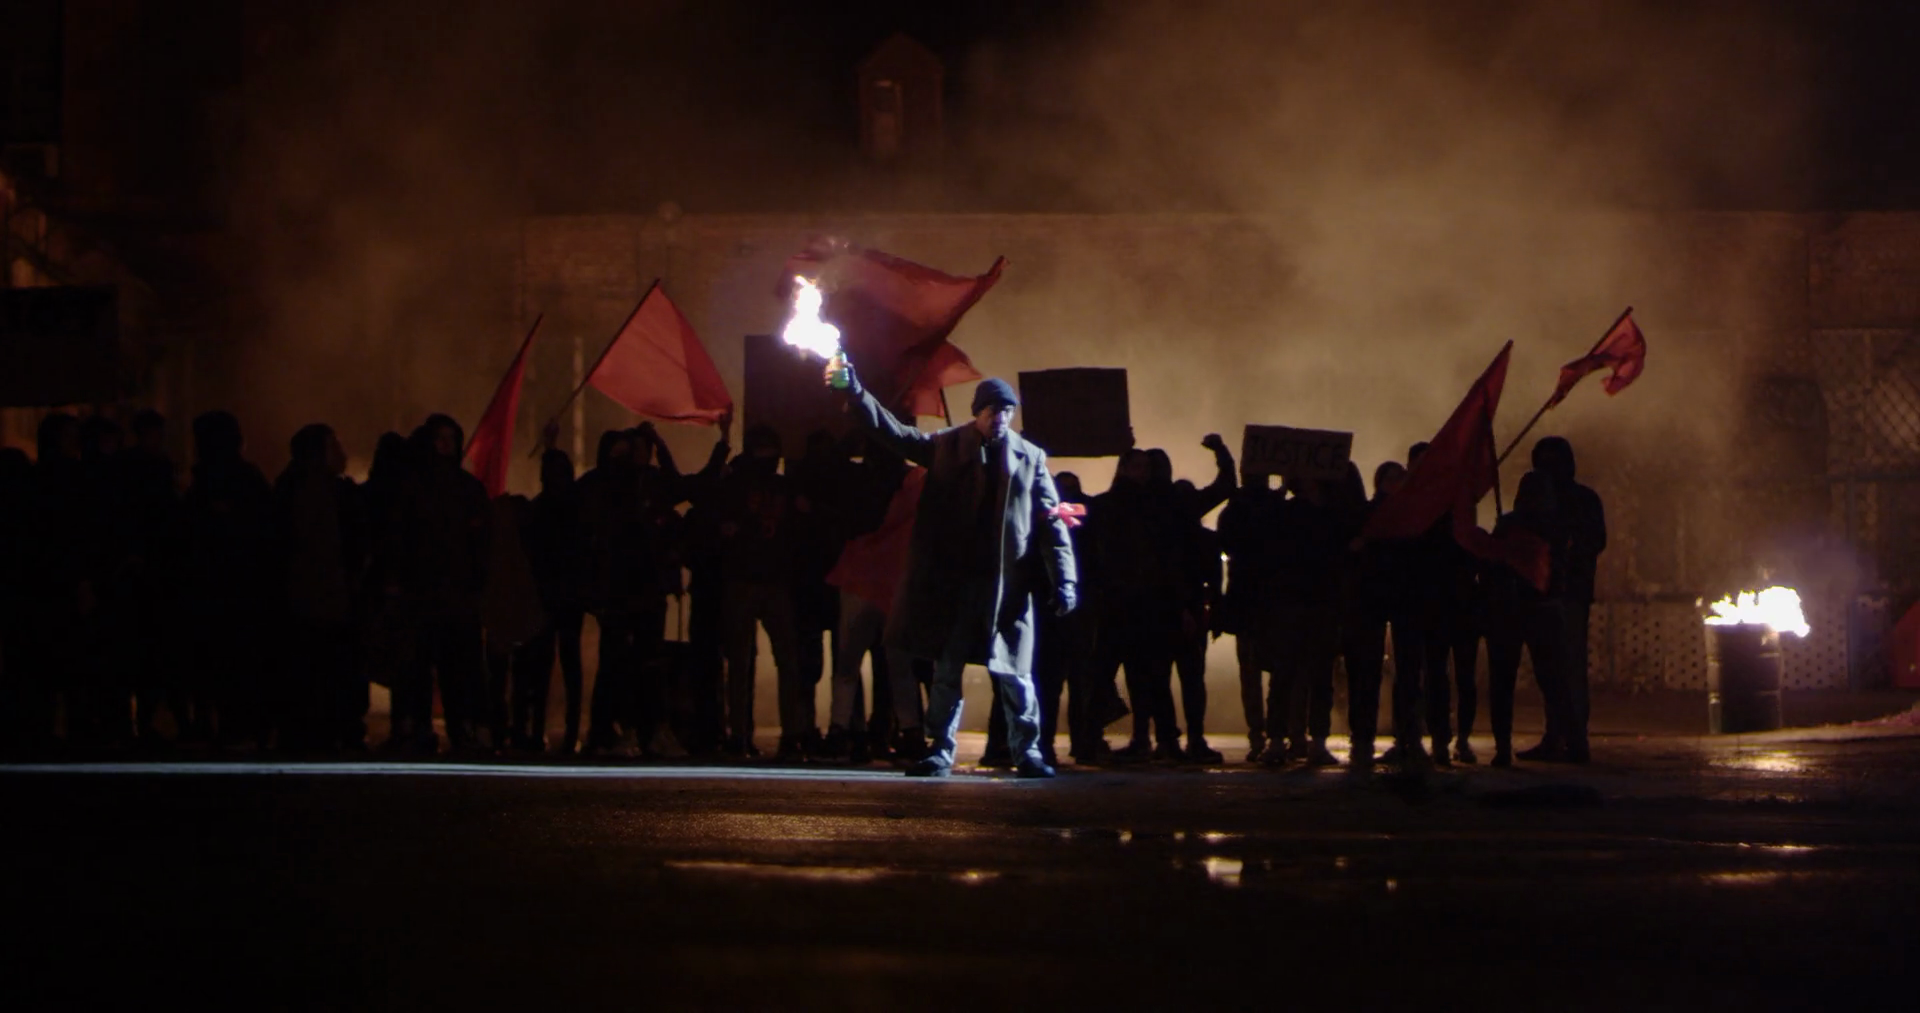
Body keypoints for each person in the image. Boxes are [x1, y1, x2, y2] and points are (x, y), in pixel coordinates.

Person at [831, 363, 1077, 778]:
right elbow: (892, 432)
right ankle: (940, 748)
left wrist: (1065, 579)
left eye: (1006, 410)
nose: (999, 418)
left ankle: (1027, 751)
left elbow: (1052, 523)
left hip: (1006, 586)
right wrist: (854, 390)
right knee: (947, 672)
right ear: (977, 412)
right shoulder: (946, 446)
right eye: (992, 410)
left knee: (1016, 676)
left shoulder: (1030, 457)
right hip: (956, 585)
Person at [389, 414, 491, 753]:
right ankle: (417, 728)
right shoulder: (412, 487)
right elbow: (400, 538)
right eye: (439, 438)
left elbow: (482, 543)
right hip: (421, 592)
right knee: (418, 666)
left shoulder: (468, 489)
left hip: (459, 595)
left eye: (451, 438)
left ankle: (462, 728)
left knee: (459, 668)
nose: (445, 445)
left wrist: (477, 582)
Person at [180, 411, 276, 751]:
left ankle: (222, 725)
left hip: (219, 589)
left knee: (220, 661)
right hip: (238, 589)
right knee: (237, 662)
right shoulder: (243, 479)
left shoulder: (206, 483)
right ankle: (238, 727)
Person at [714, 425, 807, 760]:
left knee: (759, 661)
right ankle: (753, 733)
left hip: (762, 580)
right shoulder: (744, 484)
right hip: (754, 580)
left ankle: (748, 734)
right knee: (756, 661)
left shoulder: (747, 484)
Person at [274, 424, 365, 753]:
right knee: (322, 669)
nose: (342, 454)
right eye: (333, 446)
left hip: (310, 601)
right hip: (319, 602)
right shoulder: (316, 492)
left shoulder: (296, 487)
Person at [1525, 436, 1605, 763]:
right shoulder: (1536, 501)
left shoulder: (1584, 499)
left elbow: (1595, 541)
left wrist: (1566, 551)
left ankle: (1576, 739)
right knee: (1548, 669)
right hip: (1541, 593)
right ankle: (1555, 736)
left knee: (1569, 668)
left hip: (1570, 595)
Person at [1485, 470, 1567, 767]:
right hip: (1541, 608)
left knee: (1503, 680)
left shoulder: (1510, 524)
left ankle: (1503, 746)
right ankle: (1554, 738)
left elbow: (1493, 562)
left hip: (1510, 608)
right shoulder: (1557, 527)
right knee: (1550, 679)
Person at [516, 449, 588, 753]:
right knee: (564, 665)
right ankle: (566, 732)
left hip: (551, 595)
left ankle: (539, 730)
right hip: (562, 595)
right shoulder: (573, 511)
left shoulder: (540, 510)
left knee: (544, 666)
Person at [1343, 461, 1405, 773]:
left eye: (1399, 478)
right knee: (1366, 672)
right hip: (1370, 601)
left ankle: (1394, 735)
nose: (1395, 483)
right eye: (1390, 478)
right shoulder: (1368, 515)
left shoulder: (1408, 517)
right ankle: (1363, 735)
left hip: (1393, 600)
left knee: (1400, 673)